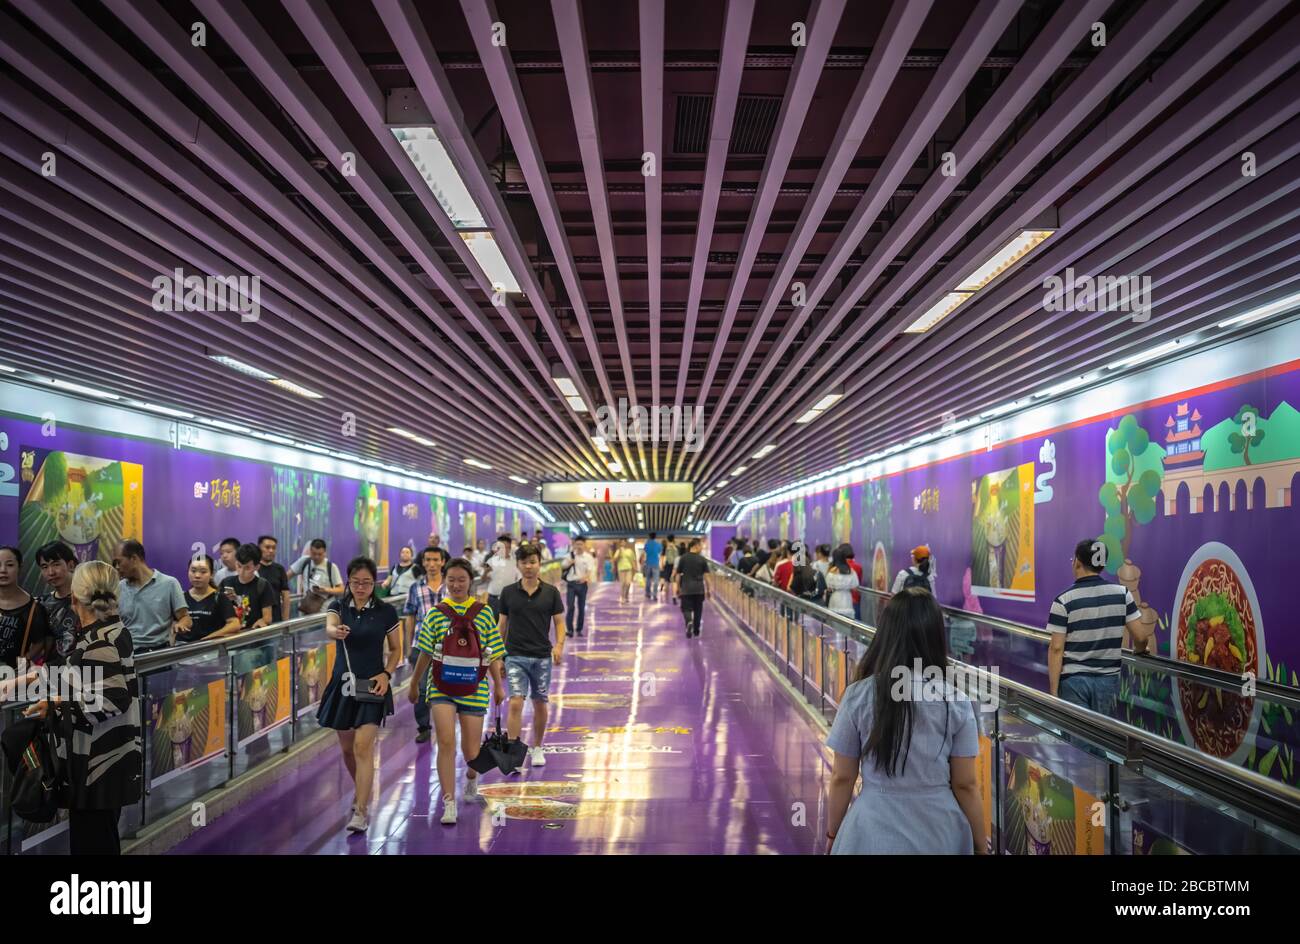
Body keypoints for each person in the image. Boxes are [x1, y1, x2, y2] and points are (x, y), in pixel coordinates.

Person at [824, 588, 986, 854]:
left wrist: (833, 832)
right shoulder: (955, 700)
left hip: (872, 830)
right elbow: (965, 784)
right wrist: (980, 845)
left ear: (885, 634)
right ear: (935, 636)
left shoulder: (859, 694)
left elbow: (843, 776)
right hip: (940, 831)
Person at [409, 557, 505, 826]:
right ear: (445, 580)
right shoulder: (436, 613)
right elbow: (425, 651)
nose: (456, 584)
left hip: (474, 687)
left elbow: (494, 653)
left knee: (472, 751)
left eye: (461, 579)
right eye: (451, 579)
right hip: (441, 687)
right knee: (447, 742)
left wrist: (498, 685)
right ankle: (448, 802)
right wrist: (415, 682)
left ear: (470, 581)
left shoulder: (484, 612)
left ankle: (472, 777)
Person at [316, 557, 400, 834]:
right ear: (348, 582)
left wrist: (386, 674)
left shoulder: (386, 612)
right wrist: (334, 631)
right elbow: (329, 626)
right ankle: (360, 789)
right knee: (348, 750)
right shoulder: (338, 606)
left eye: (366, 582)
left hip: (373, 686)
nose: (361, 587)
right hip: (343, 685)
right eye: (355, 582)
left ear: (374, 582)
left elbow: (397, 649)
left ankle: (362, 811)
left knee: (364, 747)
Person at [1047, 539, 1150, 715]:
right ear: (1101, 566)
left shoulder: (1063, 600)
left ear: (1077, 562)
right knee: (1103, 737)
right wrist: (1140, 650)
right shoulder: (1122, 594)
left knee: (1078, 738)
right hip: (1108, 681)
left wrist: (1054, 693)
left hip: (1073, 681)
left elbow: (1056, 648)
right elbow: (1141, 637)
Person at [499, 543, 566, 767]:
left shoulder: (551, 592)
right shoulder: (508, 593)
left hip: (541, 657)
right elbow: (501, 625)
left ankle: (537, 747)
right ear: (518, 564)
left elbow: (559, 622)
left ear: (539, 564)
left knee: (540, 702)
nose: (529, 566)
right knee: (516, 702)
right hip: (515, 655)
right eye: (524, 562)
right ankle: (514, 752)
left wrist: (559, 646)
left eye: (533, 562)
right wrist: (498, 655)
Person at [403, 545, 447, 743]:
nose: (432, 564)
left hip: (449, 646)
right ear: (422, 562)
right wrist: (408, 646)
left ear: (443, 562)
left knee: (446, 686)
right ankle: (424, 726)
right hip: (421, 645)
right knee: (421, 688)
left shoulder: (451, 586)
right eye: (428, 560)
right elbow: (410, 617)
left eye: (436, 560)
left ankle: (446, 724)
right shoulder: (416, 587)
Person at [114, 540, 189, 652]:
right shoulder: (118, 588)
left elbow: (185, 617)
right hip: (127, 656)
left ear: (134, 559)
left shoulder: (169, 583)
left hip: (159, 655)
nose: (117, 567)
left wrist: (181, 624)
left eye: (119, 562)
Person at [0, 545, 51, 668]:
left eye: (10, 565)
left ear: (19, 567)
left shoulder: (34, 608)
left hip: (11, 676)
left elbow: (39, 642)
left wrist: (26, 658)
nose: (3, 570)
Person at [178, 553, 238, 643]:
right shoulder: (181, 597)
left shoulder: (220, 597)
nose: (197, 575)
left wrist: (210, 638)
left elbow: (234, 624)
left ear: (212, 574)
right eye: (193, 571)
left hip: (210, 650)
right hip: (183, 651)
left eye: (203, 571)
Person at [35, 541, 79, 663]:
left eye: (56, 564)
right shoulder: (42, 604)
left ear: (70, 565)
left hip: (88, 670)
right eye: (44, 567)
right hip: (53, 673)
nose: (51, 572)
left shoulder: (88, 598)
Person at [217, 543, 274, 634]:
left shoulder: (262, 585)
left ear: (257, 567)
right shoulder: (226, 582)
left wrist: (262, 621)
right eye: (239, 566)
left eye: (247, 568)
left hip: (253, 639)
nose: (241, 571)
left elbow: (267, 618)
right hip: (230, 638)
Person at [673, 538, 711, 637]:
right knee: (698, 610)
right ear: (696, 546)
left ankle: (689, 621)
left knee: (686, 609)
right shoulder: (702, 559)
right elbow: (706, 576)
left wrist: (677, 587)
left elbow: (677, 574)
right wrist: (709, 589)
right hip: (699, 589)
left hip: (686, 588)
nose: (702, 548)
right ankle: (696, 630)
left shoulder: (683, 558)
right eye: (701, 546)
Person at [562, 536, 596, 636]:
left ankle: (579, 629)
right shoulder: (570, 555)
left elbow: (590, 570)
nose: (579, 546)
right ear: (574, 545)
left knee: (581, 607)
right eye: (577, 544)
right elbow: (562, 566)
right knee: (570, 606)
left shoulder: (588, 557)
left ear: (584, 545)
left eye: (581, 544)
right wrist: (570, 562)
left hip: (582, 585)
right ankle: (570, 630)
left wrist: (585, 578)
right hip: (571, 584)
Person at [257, 535, 292, 624]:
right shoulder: (253, 569)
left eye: (274, 548)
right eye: (267, 547)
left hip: (276, 619)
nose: (271, 551)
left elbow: (286, 596)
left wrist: (286, 620)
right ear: (259, 548)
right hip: (257, 620)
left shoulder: (279, 569)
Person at [483, 535, 518, 615]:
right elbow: (483, 579)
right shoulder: (491, 561)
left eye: (506, 547)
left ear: (509, 548)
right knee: (493, 623)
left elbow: (519, 579)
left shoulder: (515, 562)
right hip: (493, 599)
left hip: (510, 598)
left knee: (509, 624)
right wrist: (485, 572)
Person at [826, 545, 857, 619]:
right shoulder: (851, 571)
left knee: (835, 623)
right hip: (847, 599)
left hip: (835, 598)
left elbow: (828, 588)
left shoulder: (832, 571)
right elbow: (855, 588)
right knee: (847, 624)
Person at [613, 539, 637, 603]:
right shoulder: (618, 551)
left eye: (624, 542)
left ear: (626, 543)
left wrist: (635, 567)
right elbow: (615, 559)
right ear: (620, 543)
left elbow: (633, 560)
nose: (623, 543)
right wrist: (619, 553)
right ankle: (622, 597)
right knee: (623, 583)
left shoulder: (630, 551)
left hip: (629, 568)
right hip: (621, 569)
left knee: (628, 583)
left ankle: (626, 595)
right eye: (622, 542)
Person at [641, 531, 663, 601]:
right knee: (656, 580)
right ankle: (655, 595)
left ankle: (648, 593)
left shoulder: (647, 544)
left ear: (649, 537)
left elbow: (644, 553)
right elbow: (660, 552)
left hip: (648, 563)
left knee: (648, 579)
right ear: (655, 537)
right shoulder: (658, 544)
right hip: (656, 564)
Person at [662, 533, 680, 603]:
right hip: (675, 565)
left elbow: (663, 557)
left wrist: (662, 565)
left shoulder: (666, 547)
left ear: (667, 539)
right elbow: (678, 557)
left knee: (667, 581)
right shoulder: (676, 547)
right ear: (674, 539)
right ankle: (674, 596)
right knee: (674, 582)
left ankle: (666, 597)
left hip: (667, 565)